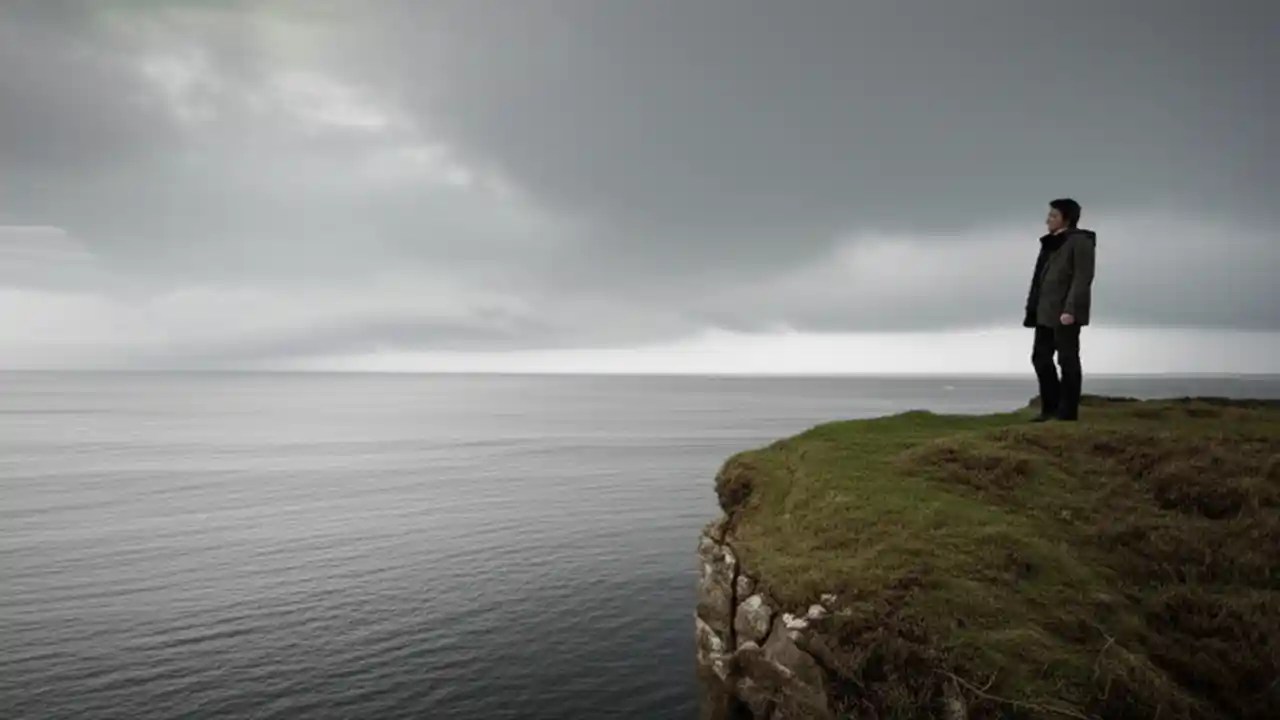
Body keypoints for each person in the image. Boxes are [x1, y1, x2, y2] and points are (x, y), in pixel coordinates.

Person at [1024, 198, 1096, 422]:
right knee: (1040, 358)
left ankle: (1068, 413)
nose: (1048, 220)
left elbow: (1082, 277)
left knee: (1067, 360)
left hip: (1066, 313)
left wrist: (1070, 310)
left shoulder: (1080, 242)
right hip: (1044, 312)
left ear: (1067, 219)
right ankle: (1050, 408)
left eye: (1053, 216)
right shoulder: (1050, 243)